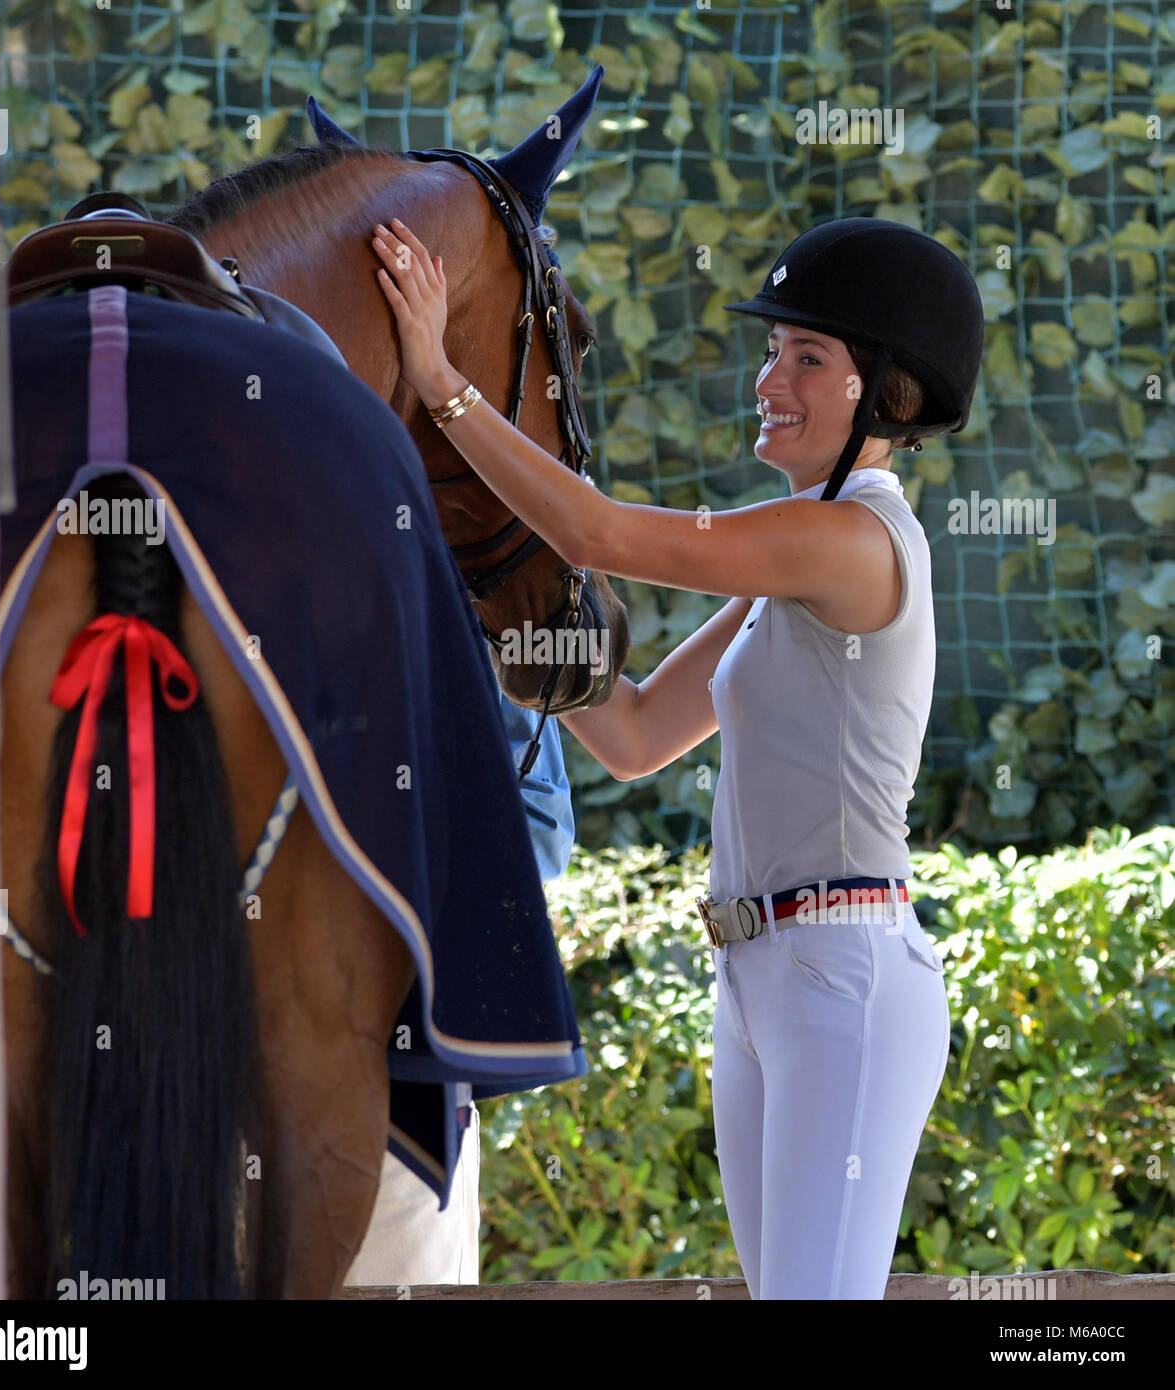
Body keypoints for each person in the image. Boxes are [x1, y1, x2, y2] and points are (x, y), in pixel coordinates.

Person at [370, 211, 985, 1299]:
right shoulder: (791, 562)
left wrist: (440, 379)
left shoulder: (852, 537)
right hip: (754, 977)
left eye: (808, 358)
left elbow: (605, 535)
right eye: (771, 351)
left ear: (880, 392)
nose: (770, 379)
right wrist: (485, 587)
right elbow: (637, 731)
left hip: (842, 978)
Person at [343, 680, 574, 1286]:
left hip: (393, 1057)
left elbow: (536, 835)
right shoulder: (463, 602)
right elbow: (537, 835)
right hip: (394, 1053)